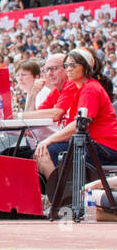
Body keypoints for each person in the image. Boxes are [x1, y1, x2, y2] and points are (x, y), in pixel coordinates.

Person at [35, 48, 117, 195]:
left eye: (73, 65)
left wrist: (48, 140)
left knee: (44, 152)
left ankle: (62, 198)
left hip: (104, 146)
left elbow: (79, 125)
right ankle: (61, 197)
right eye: (66, 66)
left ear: (85, 67)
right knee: (43, 151)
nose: (69, 69)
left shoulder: (90, 89)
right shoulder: (83, 88)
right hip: (94, 143)